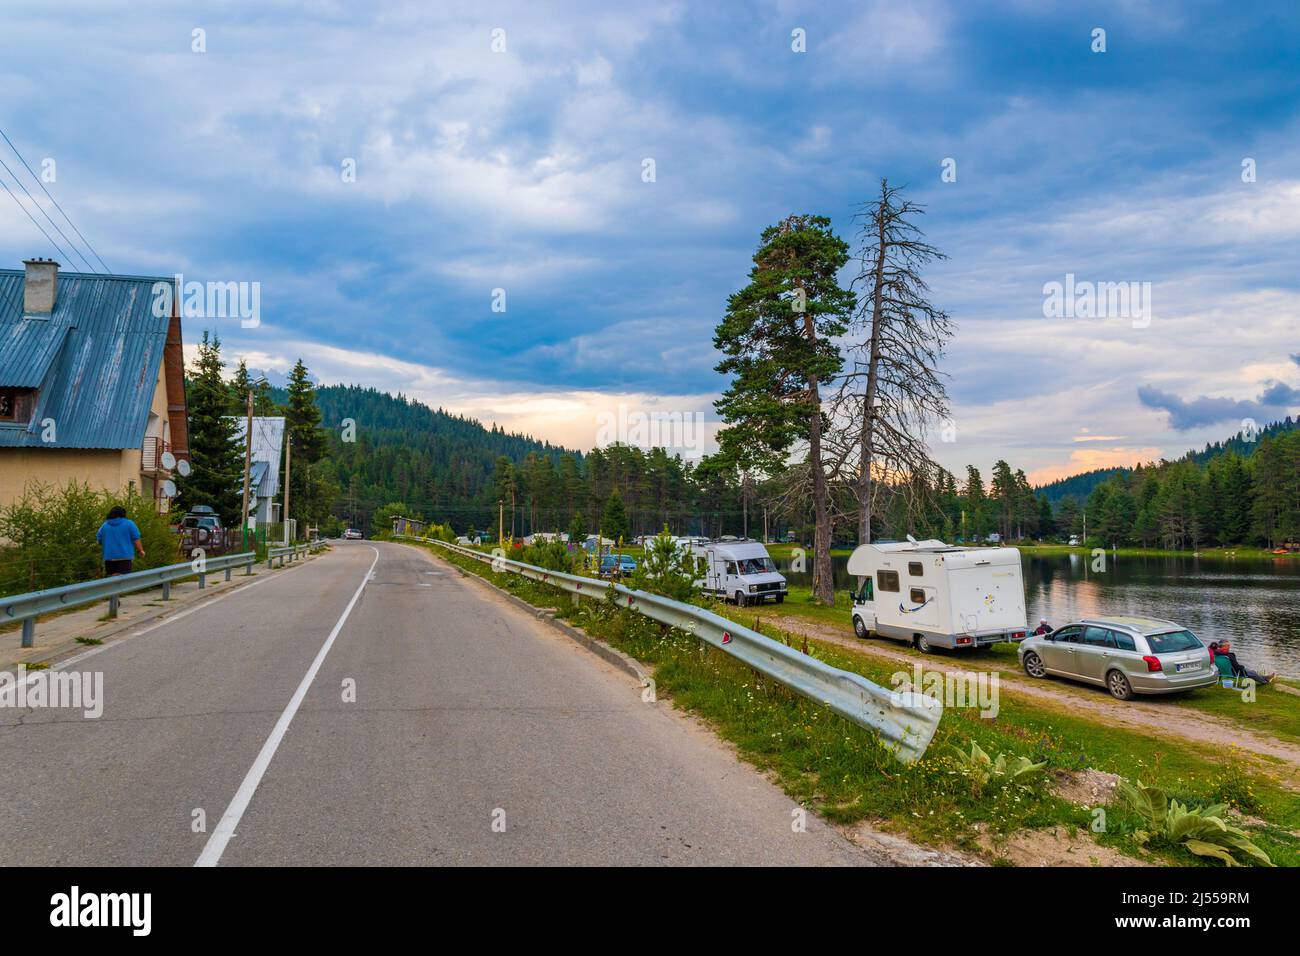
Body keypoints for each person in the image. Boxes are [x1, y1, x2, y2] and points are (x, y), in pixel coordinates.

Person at [96, 505, 145, 576]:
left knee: (112, 580)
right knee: (123, 581)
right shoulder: (129, 524)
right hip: (125, 557)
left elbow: (99, 539)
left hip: (109, 557)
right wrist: (141, 550)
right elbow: (136, 538)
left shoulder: (105, 525)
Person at [1209, 640, 1275, 685]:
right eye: (1228, 646)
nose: (1229, 647)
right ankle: (1265, 682)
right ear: (1223, 647)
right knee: (1253, 673)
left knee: (1251, 671)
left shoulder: (1215, 654)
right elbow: (1237, 666)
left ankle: (1266, 677)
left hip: (1223, 672)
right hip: (1235, 672)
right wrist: (1242, 667)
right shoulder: (1230, 655)